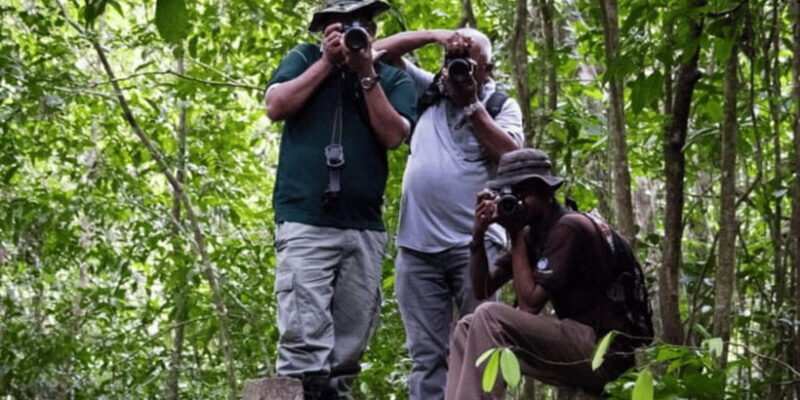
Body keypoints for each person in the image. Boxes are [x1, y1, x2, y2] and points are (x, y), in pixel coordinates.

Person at [263, 0, 417, 398]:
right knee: (302, 346)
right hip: (305, 219)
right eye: (340, 25)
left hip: (362, 227)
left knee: (347, 352)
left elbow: (394, 136)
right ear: (323, 31)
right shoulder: (302, 58)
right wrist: (327, 63)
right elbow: (276, 106)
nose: (351, 32)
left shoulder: (391, 78)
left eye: (361, 24)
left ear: (374, 33)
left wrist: (366, 72)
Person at [374, 29, 523, 400]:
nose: (458, 68)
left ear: (487, 69)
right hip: (417, 248)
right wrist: (436, 37)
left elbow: (513, 159)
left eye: (468, 61)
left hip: (475, 248)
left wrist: (471, 104)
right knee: (426, 358)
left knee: (482, 351)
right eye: (454, 60)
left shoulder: (501, 104)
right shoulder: (428, 91)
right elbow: (377, 53)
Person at [445, 148, 653, 399]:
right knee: (467, 326)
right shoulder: (535, 233)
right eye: (510, 193)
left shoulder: (569, 227)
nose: (518, 201)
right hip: (583, 345)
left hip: (605, 350)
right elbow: (483, 288)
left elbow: (530, 304)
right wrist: (478, 235)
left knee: (489, 315)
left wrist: (516, 233)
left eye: (524, 192)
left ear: (547, 190)